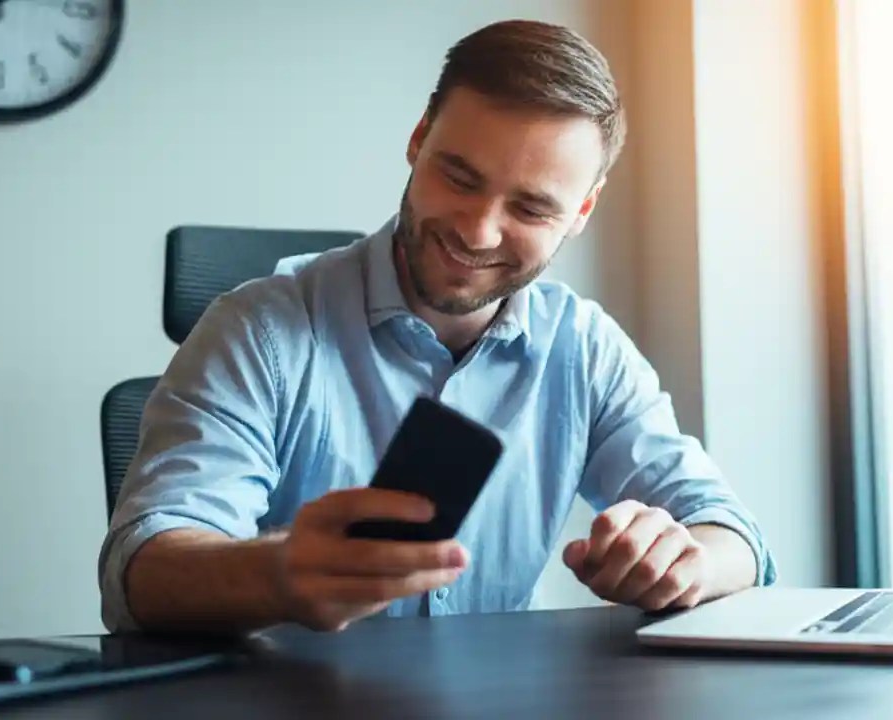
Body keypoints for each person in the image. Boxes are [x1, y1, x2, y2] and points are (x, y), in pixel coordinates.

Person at [99, 19, 776, 635]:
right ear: (418, 140)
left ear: (582, 211)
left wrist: (683, 562)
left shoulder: (584, 348)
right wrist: (277, 575)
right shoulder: (259, 331)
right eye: (459, 176)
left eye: (533, 208)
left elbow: (734, 535)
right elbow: (141, 570)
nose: (479, 231)